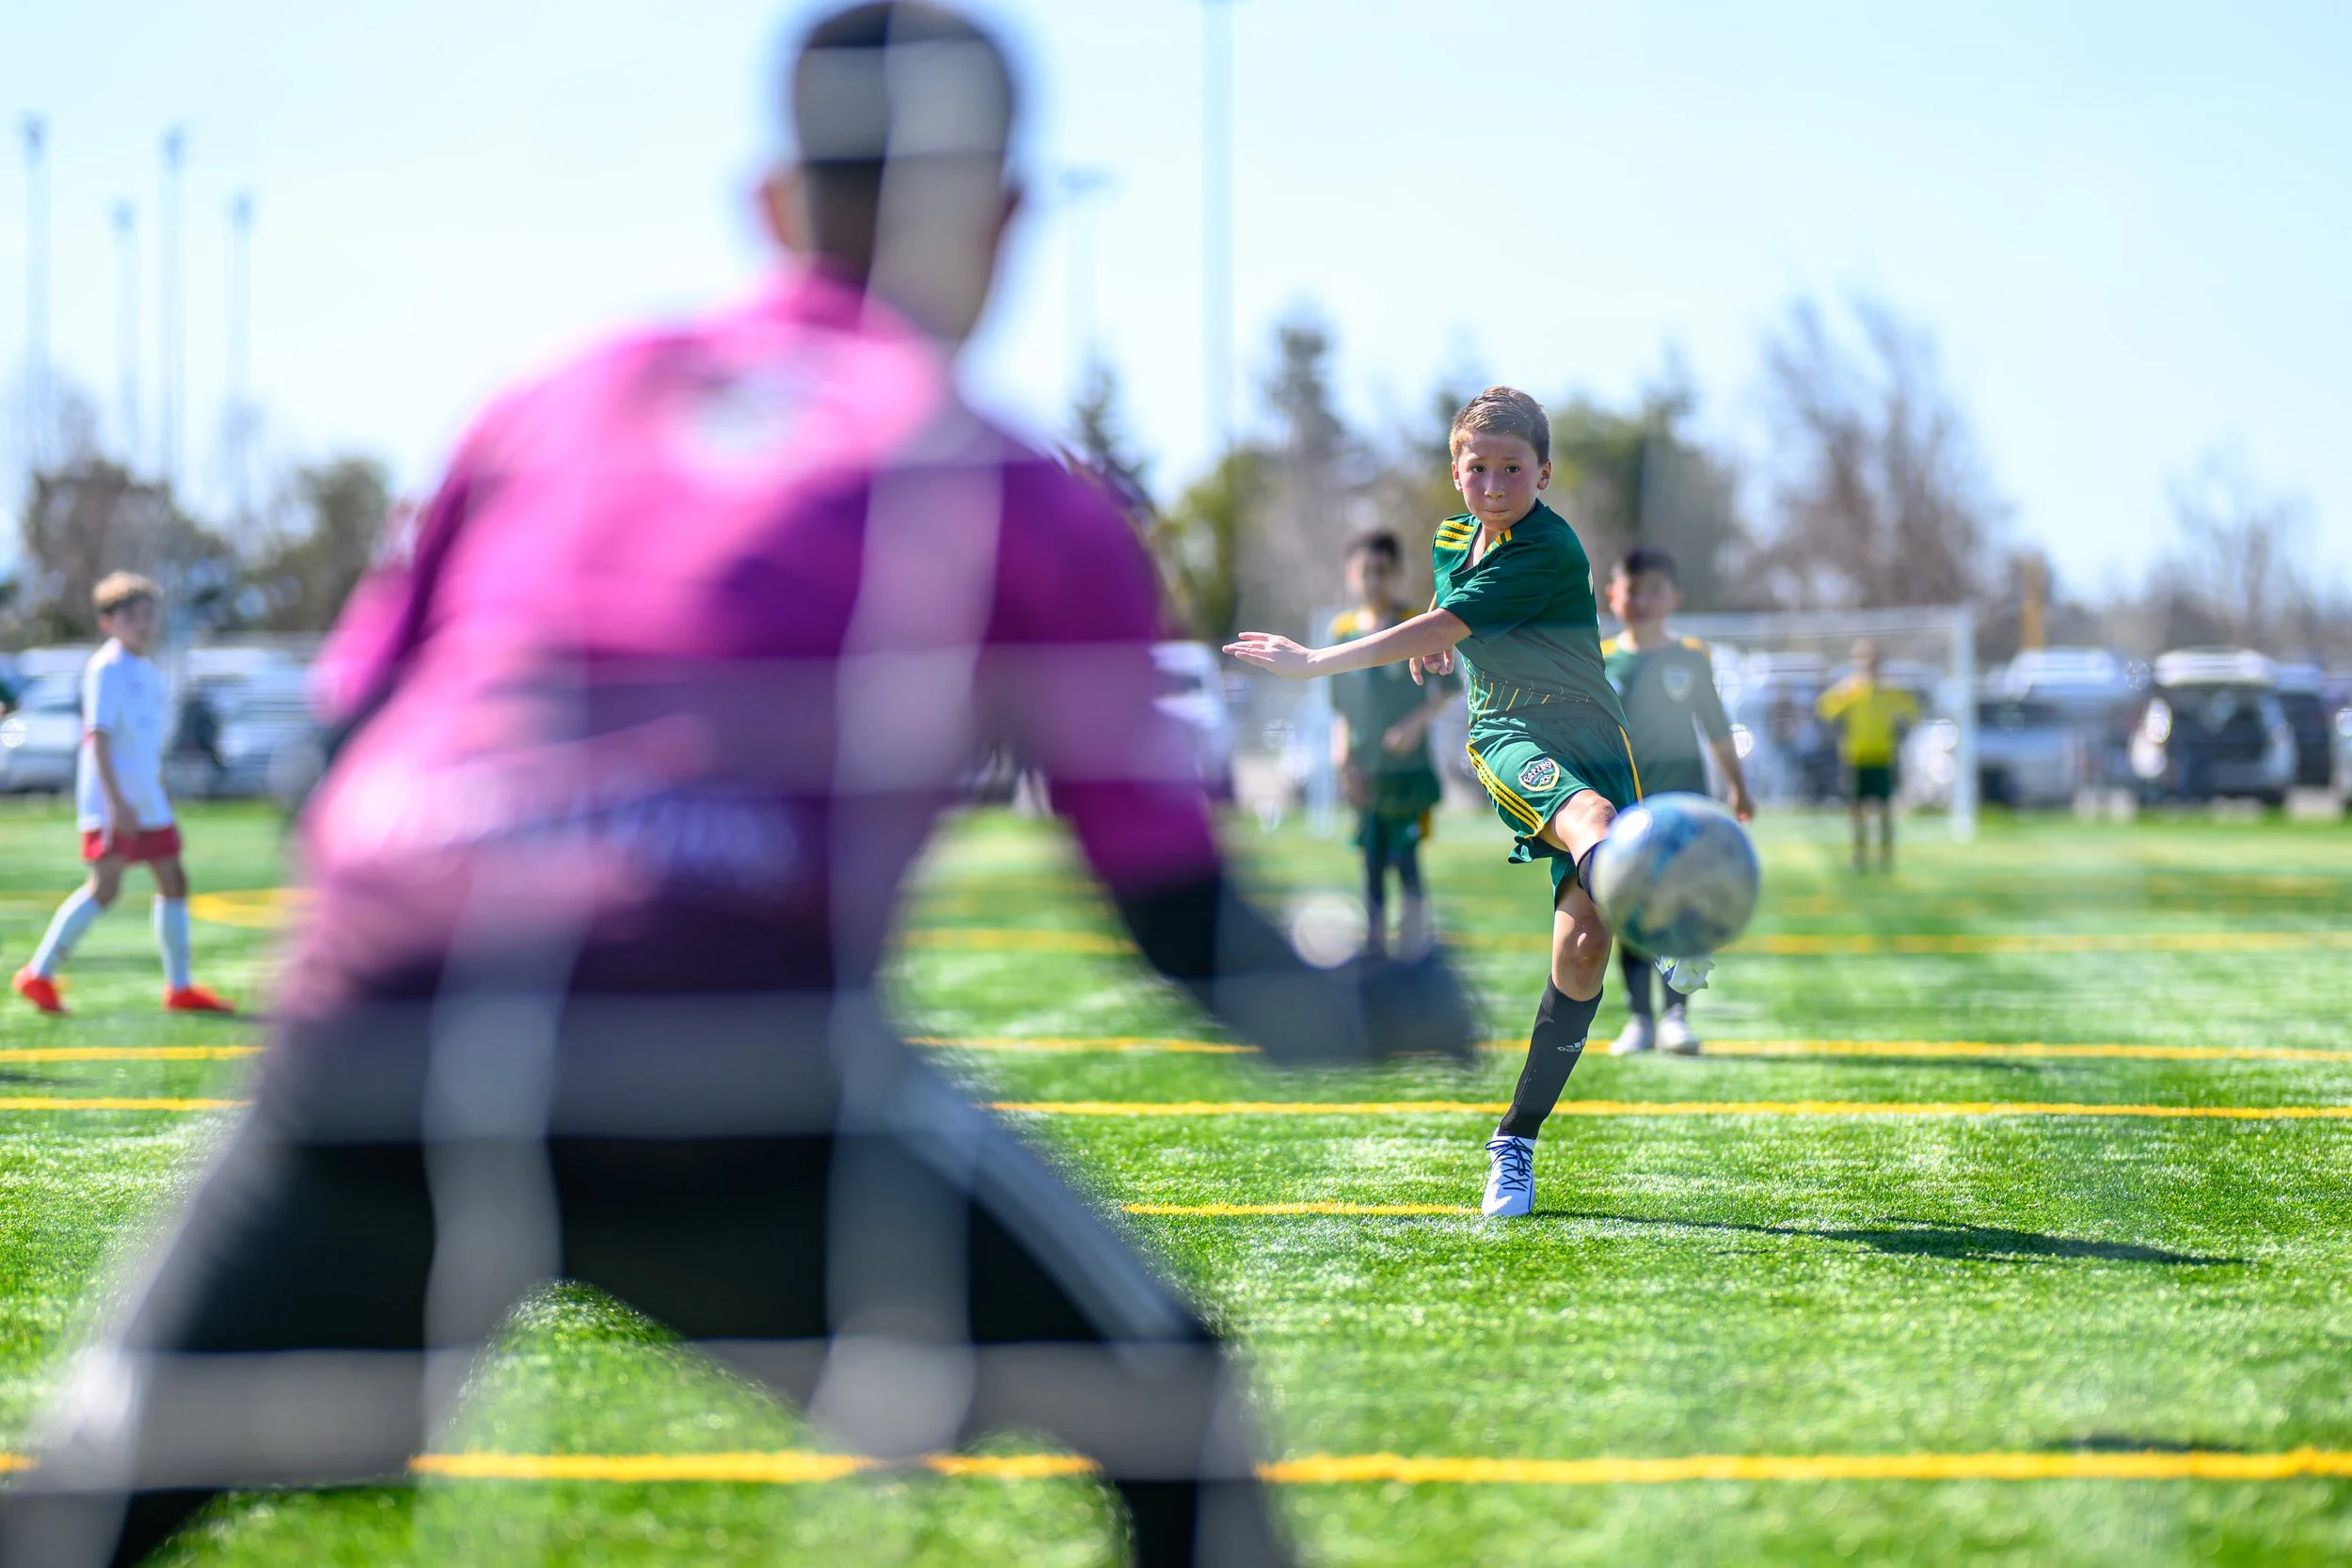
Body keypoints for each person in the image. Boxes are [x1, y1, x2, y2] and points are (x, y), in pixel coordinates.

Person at [0, 8, 1472, 1566]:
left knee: (83, 1506)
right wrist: (1386, 1004)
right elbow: (1184, 926)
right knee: (1183, 1420)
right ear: (1005, 220)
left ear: (776, 203)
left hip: (383, 1027)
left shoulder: (557, 398)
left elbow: (338, 755)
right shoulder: (1016, 493)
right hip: (722, 1055)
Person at [1229, 388, 1708, 1222]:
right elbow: (1449, 618)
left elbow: (1450, 618)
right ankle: (1666, 928)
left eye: (1511, 469)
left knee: (1585, 942)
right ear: (1455, 472)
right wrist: (1445, 656)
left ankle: (1515, 1135)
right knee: (1591, 820)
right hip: (1511, 735)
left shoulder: (1549, 547)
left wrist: (1319, 660)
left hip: (1598, 736)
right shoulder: (1454, 538)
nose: (1492, 484)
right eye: (1477, 467)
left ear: (1545, 473)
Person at [11, 574, 236, 1018]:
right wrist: (116, 803)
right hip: (116, 802)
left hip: (147, 799)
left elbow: (144, 742)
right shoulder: (106, 669)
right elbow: (99, 738)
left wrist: (159, 789)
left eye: (148, 615)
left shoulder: (148, 673)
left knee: (174, 881)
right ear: (107, 622)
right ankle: (38, 973)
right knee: (105, 888)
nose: (142, 624)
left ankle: (180, 987)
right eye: (131, 616)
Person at [1599, 546, 1753, 1055]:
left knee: (1684, 904)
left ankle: (1677, 1017)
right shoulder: (1599, 659)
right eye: (1632, 590)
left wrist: (1738, 786)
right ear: (1613, 595)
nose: (1642, 601)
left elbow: (1714, 725)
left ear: (1673, 598)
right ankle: (1639, 1018)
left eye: (1654, 591)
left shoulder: (1690, 656)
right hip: (1623, 804)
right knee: (1628, 905)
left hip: (1685, 807)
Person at [1327, 531, 1458, 958]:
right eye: (1365, 572)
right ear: (1350, 576)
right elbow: (1341, 706)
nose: (1373, 581)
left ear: (1397, 574)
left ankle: (1416, 950)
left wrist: (1414, 724)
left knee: (1406, 861)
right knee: (1369, 861)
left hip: (1406, 772)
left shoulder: (1414, 625)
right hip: (1364, 771)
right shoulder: (1342, 631)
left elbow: (1449, 688)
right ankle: (1375, 951)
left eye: (1382, 572)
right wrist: (1343, 759)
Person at [1816, 639, 1920, 872]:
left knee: (1885, 809)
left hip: (1883, 756)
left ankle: (1885, 855)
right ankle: (1859, 854)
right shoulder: (1851, 689)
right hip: (1856, 757)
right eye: (1864, 660)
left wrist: (1901, 728)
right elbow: (1824, 708)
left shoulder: (1890, 690)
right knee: (1857, 808)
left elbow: (1912, 710)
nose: (1869, 665)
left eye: (1873, 660)